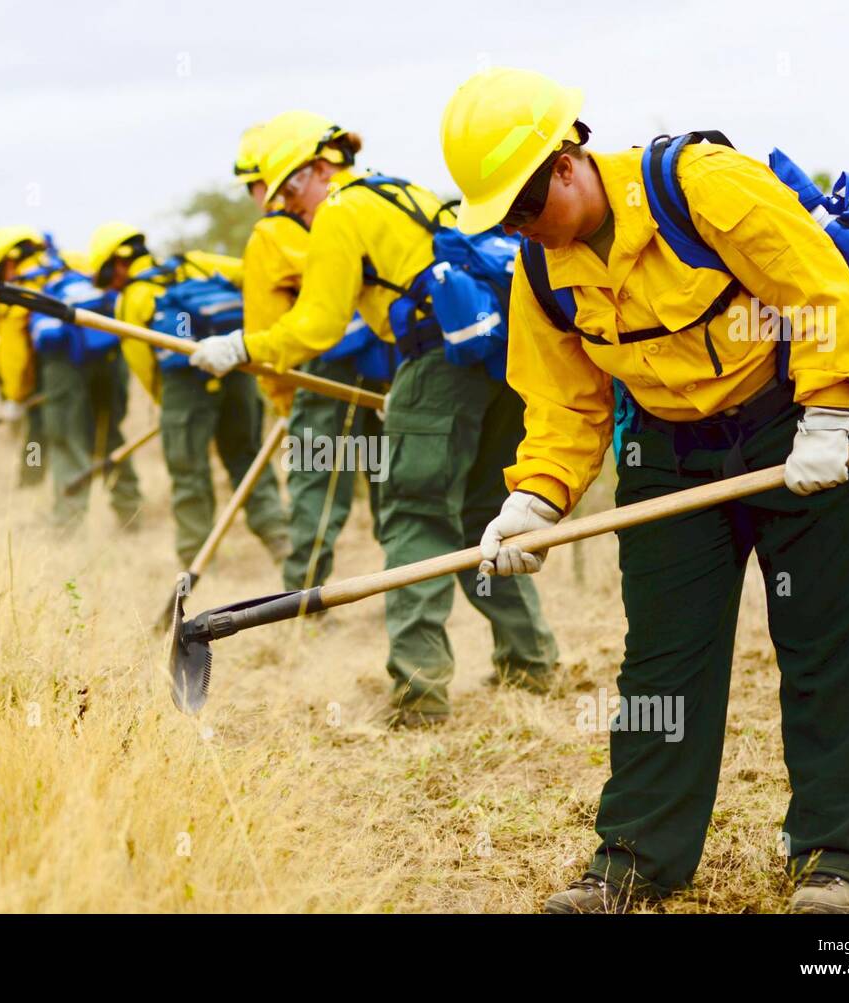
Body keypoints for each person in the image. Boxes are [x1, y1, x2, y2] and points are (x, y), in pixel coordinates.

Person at [440, 67, 849, 913]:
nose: (518, 228)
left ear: (568, 162)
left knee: (830, 646)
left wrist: (830, 412)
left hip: (799, 415)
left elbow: (818, 290)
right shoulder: (541, 272)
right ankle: (636, 860)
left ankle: (835, 861)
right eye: (502, 218)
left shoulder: (701, 187)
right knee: (663, 661)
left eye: (523, 207)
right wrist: (536, 500)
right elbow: (562, 404)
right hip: (669, 443)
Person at [190, 111, 559, 727]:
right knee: (480, 518)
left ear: (313, 172)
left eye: (285, 194)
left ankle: (419, 698)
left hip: (438, 361)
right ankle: (531, 663)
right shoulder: (399, 189)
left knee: (414, 518)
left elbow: (319, 325)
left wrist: (244, 347)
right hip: (501, 360)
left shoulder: (338, 211)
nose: (285, 210)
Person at [234, 125, 389, 593]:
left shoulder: (271, 235)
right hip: (393, 361)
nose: (256, 196)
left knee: (316, 494)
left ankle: (301, 606)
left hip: (322, 372)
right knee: (395, 489)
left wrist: (284, 403)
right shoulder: (371, 203)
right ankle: (408, 592)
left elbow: (264, 330)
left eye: (252, 184)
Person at [89, 222, 289, 568]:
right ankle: (283, 545)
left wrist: (169, 409)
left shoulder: (133, 299)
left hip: (184, 389)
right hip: (238, 373)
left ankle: (195, 562)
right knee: (248, 461)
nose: (111, 286)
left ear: (117, 264)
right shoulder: (195, 263)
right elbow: (252, 277)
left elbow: (144, 367)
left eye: (107, 277)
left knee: (189, 475)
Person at [0, 225, 142, 527]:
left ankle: (68, 523)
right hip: (110, 357)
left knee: (67, 439)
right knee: (109, 435)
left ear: (5, 262)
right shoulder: (72, 262)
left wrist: (15, 397)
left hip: (63, 366)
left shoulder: (18, 289)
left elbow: (16, 356)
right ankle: (130, 512)